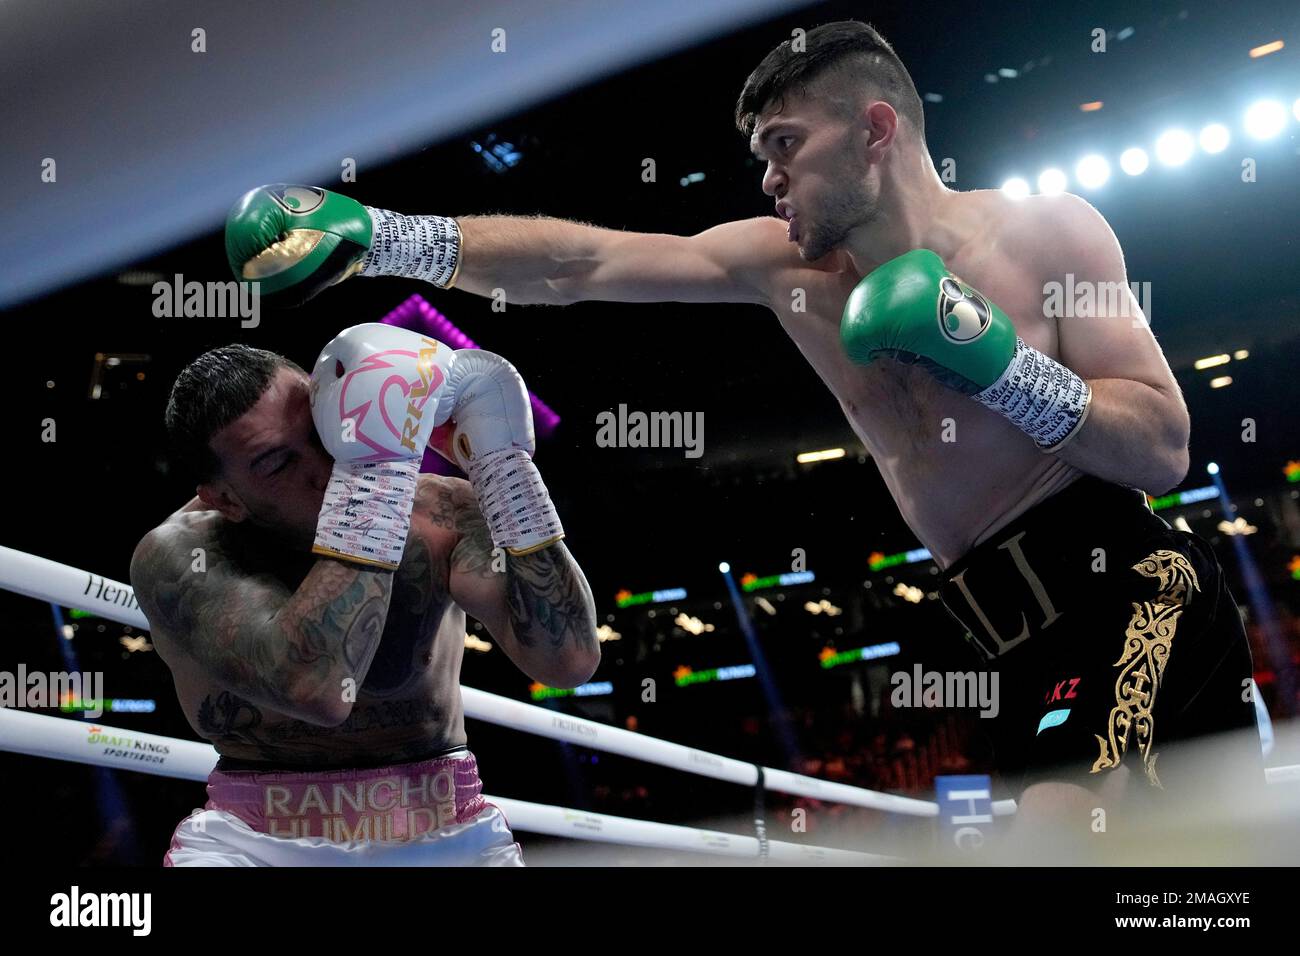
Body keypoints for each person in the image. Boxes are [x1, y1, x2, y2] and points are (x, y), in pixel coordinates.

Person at [223, 20, 1261, 836]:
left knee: (1060, 842)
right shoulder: (781, 268)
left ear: (875, 130)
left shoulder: (1046, 232)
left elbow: (1162, 448)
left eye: (783, 144)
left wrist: (993, 359)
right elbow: (580, 264)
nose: (765, 177)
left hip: (1123, 584)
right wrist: (386, 237)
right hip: (998, 635)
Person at [130, 323, 600, 865]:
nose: (327, 467)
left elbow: (569, 660)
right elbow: (319, 690)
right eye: (280, 463)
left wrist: (503, 467)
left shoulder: (441, 513)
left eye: (319, 431)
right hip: (258, 844)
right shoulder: (182, 555)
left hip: (443, 825)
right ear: (225, 500)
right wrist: (378, 474)